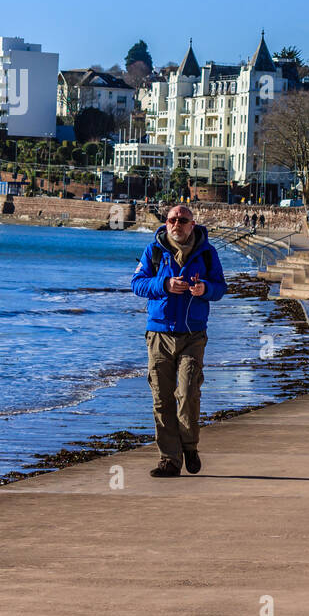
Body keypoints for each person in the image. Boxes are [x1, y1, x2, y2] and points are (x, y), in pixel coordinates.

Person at [131, 204, 228, 478]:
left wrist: (205, 289)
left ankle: (189, 446)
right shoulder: (154, 251)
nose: (176, 224)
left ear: (192, 224)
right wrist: (164, 285)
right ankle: (169, 460)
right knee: (161, 399)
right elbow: (137, 284)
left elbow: (220, 287)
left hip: (193, 335)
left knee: (187, 394)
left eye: (182, 220)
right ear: (166, 223)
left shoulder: (207, 254)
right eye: (172, 220)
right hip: (159, 333)